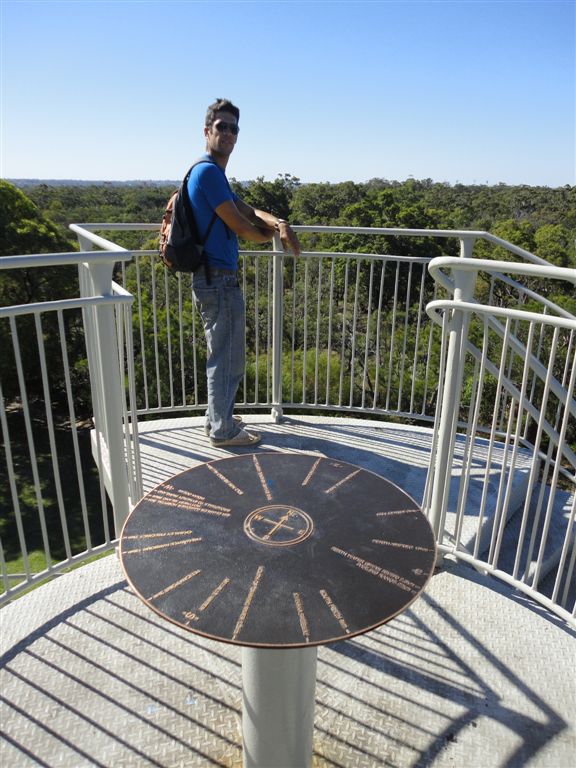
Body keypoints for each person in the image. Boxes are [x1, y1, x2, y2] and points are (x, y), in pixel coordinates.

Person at [189, 98, 301, 447]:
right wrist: (270, 234)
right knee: (228, 358)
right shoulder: (207, 172)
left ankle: (216, 419)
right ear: (207, 131)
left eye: (233, 128)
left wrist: (279, 222)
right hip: (217, 278)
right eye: (221, 127)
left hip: (214, 278)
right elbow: (241, 225)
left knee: (224, 354)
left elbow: (249, 209)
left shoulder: (215, 175)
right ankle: (223, 431)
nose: (228, 133)